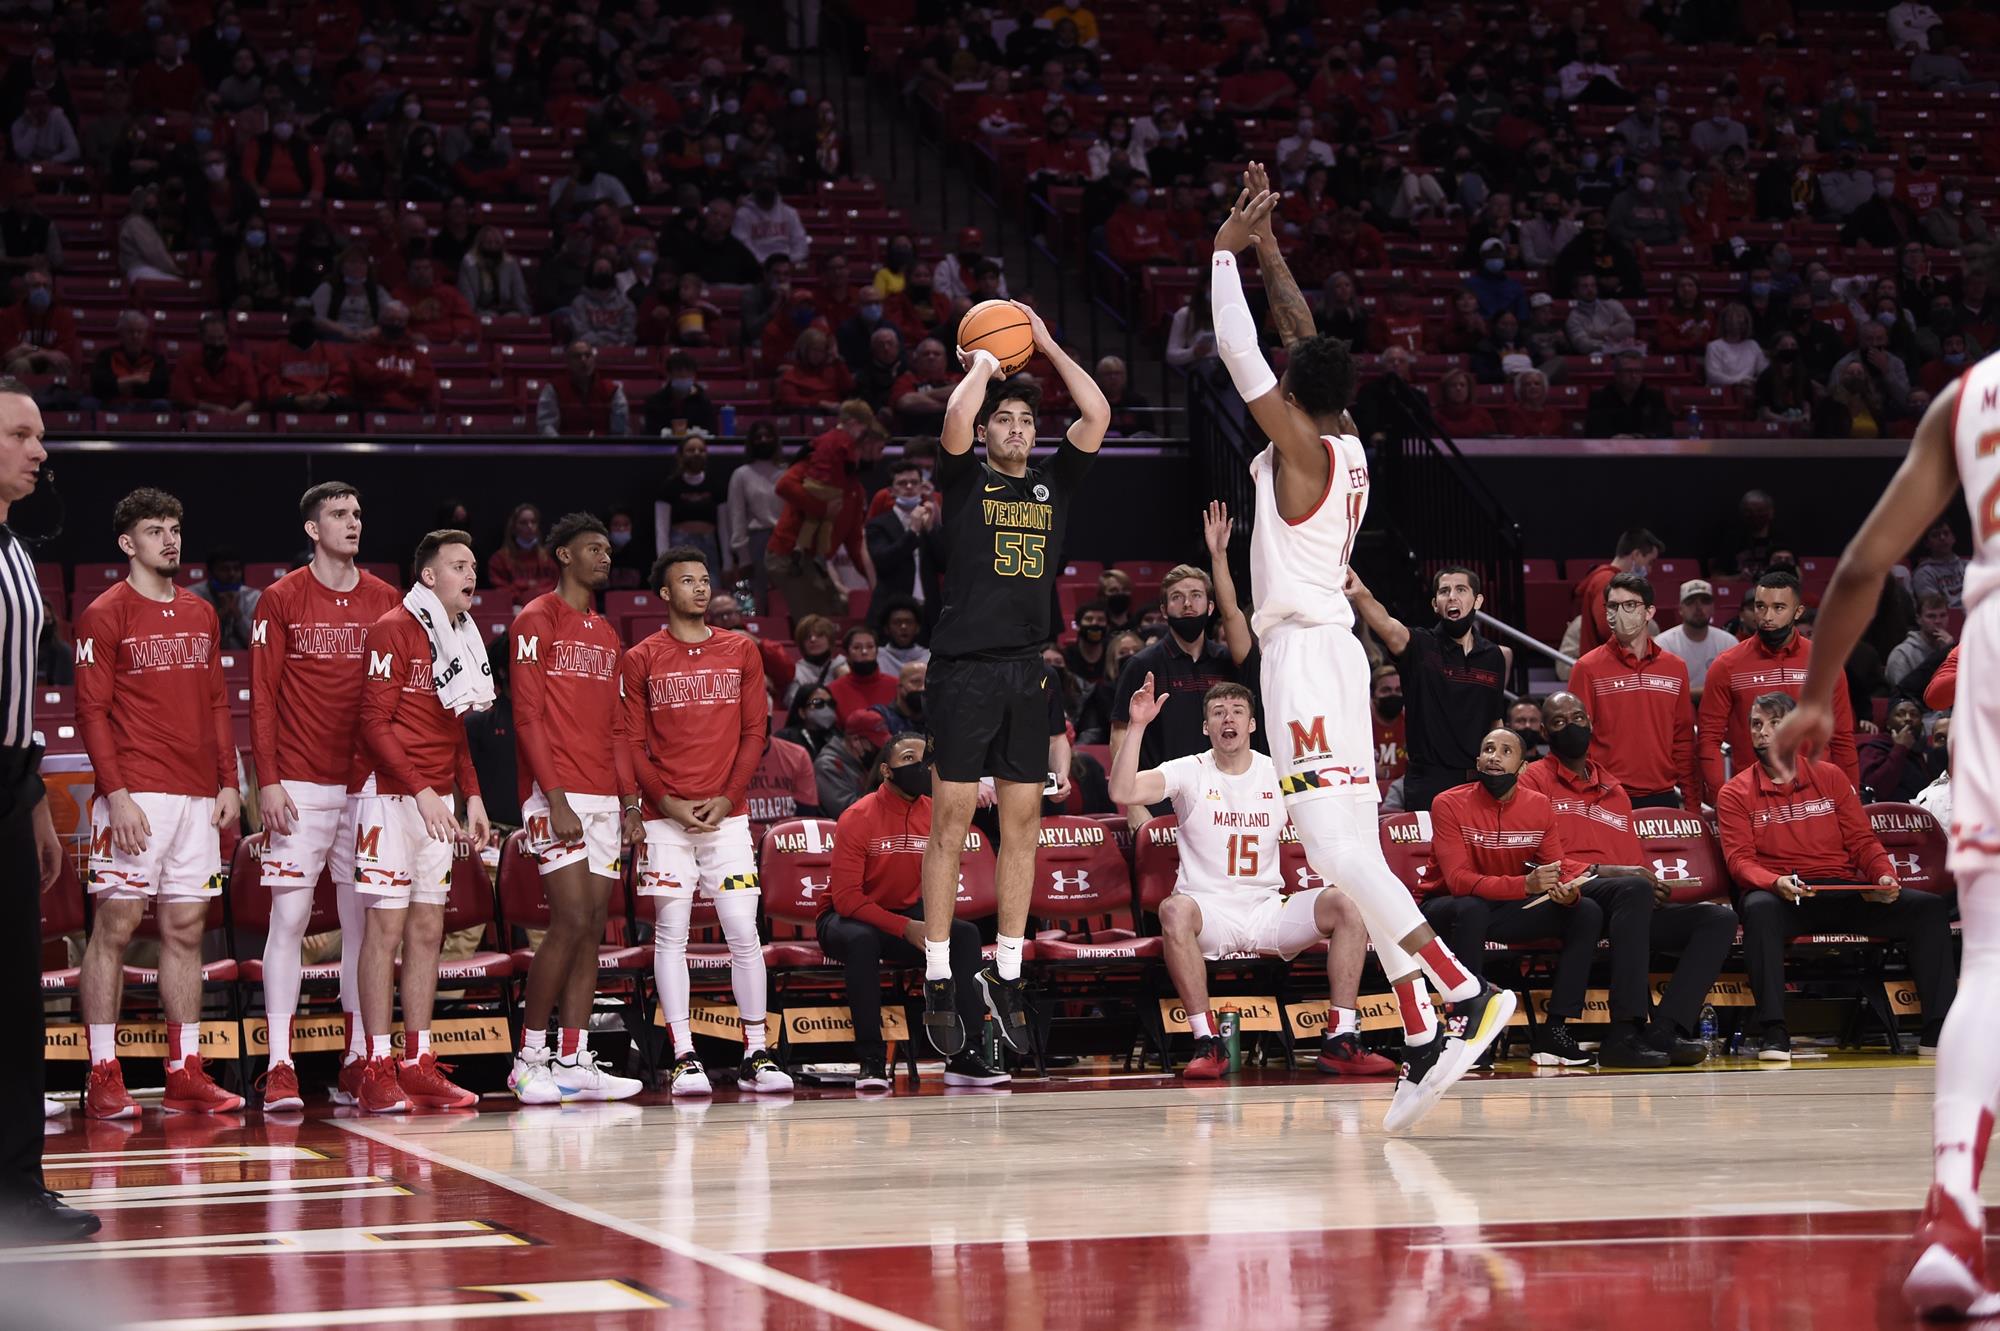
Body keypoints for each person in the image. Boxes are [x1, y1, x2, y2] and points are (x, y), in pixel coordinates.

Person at [1211, 167, 1509, 1132]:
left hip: (1305, 656)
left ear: (1295, 395)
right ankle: (1419, 1028)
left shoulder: (1303, 452)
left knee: (1335, 846)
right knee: (1351, 852)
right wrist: (1269, 247)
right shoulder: (1346, 438)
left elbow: (1240, 349)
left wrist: (1222, 255)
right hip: (1329, 654)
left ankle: (1461, 988)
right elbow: (1300, 336)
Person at [1772, 263, 1998, 1316]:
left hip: (1991, 648)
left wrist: (1817, 694)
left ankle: (1951, 1216)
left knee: (1989, 958)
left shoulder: (1968, 397)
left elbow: (1862, 566)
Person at [918, 298, 1108, 1059]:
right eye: (1006, 420)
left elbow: (1096, 412)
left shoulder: (1053, 483)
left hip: (1029, 673)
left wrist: (1049, 342)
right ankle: (939, 973)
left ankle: (1007, 970)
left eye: (1027, 421)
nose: (1019, 429)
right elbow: (953, 421)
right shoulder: (966, 480)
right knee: (953, 820)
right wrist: (985, 365)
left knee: (1024, 827)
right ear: (989, 431)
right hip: (964, 672)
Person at [1112, 676, 1395, 1079]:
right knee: (1173, 909)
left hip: (1266, 910)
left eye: (1237, 711)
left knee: (1347, 903)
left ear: (1252, 724)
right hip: (1209, 910)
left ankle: (1341, 1038)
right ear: (1206, 727)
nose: (1227, 719)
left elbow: (1334, 806)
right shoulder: (1188, 770)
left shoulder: (1279, 773)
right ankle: (1208, 1042)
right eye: (1218, 712)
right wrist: (1138, 726)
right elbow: (1122, 792)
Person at [76, 488, 244, 1119]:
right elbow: (90, 712)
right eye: (155, 530)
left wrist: (229, 781)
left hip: (197, 798)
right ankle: (102, 1073)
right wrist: (117, 796)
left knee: (185, 930)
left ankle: (184, 1070)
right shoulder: (104, 614)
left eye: (174, 528)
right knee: (115, 928)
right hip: (135, 796)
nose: (170, 539)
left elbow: (217, 702)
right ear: (128, 543)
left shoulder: (201, 613)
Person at [249, 481, 401, 1111]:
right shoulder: (280, 598)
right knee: (288, 919)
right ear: (313, 529)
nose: (352, 522)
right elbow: (262, 696)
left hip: (367, 786)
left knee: (362, 925)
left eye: (357, 513)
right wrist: (268, 781)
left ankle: (358, 1057)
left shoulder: (387, 599)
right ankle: (280, 1064)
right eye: (339, 514)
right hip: (300, 783)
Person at [622, 547, 790, 1097]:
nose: (699, 588)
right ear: (664, 593)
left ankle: (757, 1053)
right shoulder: (641, 658)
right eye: (686, 581)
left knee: (743, 931)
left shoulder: (741, 649)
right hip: (665, 820)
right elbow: (632, 743)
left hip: (728, 819)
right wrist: (664, 803)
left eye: (704, 579)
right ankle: (684, 1057)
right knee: (671, 935)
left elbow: (754, 733)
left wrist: (728, 797)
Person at [1722, 689, 1955, 1052]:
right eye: (1755, 724)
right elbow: (1740, 862)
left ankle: (1938, 1029)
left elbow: (1863, 842)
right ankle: (1773, 1030)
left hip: (1841, 890)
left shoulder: (1829, 777)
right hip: (1786, 895)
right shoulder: (1734, 792)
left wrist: (1883, 876)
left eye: (1774, 723)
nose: (1762, 732)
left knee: (1928, 909)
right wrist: (1774, 882)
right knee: (1758, 909)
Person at [505, 515, 643, 1105]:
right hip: (554, 794)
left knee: (591, 927)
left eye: (608, 549)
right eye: (593, 549)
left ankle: (572, 1058)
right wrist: (555, 797)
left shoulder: (607, 633)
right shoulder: (536, 619)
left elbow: (618, 728)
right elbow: (527, 716)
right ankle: (528, 1059)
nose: (605, 557)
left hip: (604, 796)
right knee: (567, 921)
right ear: (563, 555)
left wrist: (630, 800)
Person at [0, 382, 95, 1234]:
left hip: (9, 782)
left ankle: (18, 1186)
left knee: (15, 996)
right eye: (21, 434)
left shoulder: (17, 552)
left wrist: (32, 797)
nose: (40, 450)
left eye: (40, 435)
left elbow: (21, 690)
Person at [1522, 692, 1734, 1066]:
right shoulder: (1533, 781)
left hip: (1625, 905)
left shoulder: (1613, 788)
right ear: (1544, 732)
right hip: (1571, 898)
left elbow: (1632, 863)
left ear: (1591, 723)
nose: (1571, 726)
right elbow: (1538, 859)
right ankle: (1623, 1032)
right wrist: (1620, 875)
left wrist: (1653, 887)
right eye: (1559, 722)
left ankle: (1665, 1028)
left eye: (1577, 717)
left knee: (1718, 919)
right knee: (1633, 887)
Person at [818, 734, 1007, 1090]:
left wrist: (917, 924)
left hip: (905, 915)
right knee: (861, 941)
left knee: (964, 935)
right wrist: (905, 927)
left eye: (925, 758)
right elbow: (845, 899)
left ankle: (964, 1055)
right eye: (908, 757)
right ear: (886, 770)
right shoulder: (857, 816)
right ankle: (872, 1060)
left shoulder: (936, 813)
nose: (919, 766)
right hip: (845, 920)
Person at [1423, 729, 1604, 1067]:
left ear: (1522, 767)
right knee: (1472, 908)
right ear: (1478, 761)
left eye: (1506, 751)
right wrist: (1525, 885)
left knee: (1586, 912)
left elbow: (1557, 869)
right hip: (1444, 909)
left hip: (1503, 908)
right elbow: (1459, 881)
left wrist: (1566, 894)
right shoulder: (1447, 802)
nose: (1494, 756)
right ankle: (1467, 1033)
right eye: (1488, 749)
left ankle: (1555, 1032)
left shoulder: (1539, 806)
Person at [1110, 501, 1257, 826]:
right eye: (1177, 597)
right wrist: (1133, 806)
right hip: (1161, 803)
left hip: (1228, 801)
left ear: (1210, 607)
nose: (1187, 603)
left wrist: (1219, 556)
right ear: (1163, 610)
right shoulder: (1142, 665)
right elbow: (1120, 734)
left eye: (1196, 595)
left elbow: (1233, 613)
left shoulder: (1229, 661)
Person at [1350, 566, 1509, 813]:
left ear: (1477, 600)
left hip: (1480, 782)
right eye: (1444, 591)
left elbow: (1495, 721)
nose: (1452, 596)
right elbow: (1387, 624)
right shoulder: (1421, 646)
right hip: (1429, 783)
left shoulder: (1494, 656)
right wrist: (1360, 592)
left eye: (1461, 589)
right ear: (1435, 604)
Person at [1699, 569, 1858, 802]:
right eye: (1760, 606)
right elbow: (1709, 739)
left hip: (1816, 795)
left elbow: (1842, 737)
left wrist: (1850, 798)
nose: (1767, 616)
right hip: (1753, 797)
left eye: (1778, 607)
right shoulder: (1727, 665)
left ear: (1798, 612)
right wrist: (1721, 796)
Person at [1564, 573, 1701, 810]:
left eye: (1629, 605)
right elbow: (1576, 743)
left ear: (1649, 612)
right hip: (1606, 798)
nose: (1619, 613)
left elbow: (1683, 740)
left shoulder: (1675, 668)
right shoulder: (1586, 668)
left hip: (1663, 797)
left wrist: (1693, 806)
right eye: (1613, 606)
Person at [865, 459, 943, 624]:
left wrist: (931, 530)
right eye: (902, 483)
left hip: (929, 613)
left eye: (914, 482)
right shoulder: (878, 525)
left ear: (922, 487)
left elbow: (944, 564)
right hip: (891, 613)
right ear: (891, 491)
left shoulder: (929, 523)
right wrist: (912, 531)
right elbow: (884, 561)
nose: (909, 487)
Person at [1570, 527, 1662, 658]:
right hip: (1605, 665)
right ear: (1636, 555)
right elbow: (1609, 628)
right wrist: (1650, 643)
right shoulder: (1606, 581)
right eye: (1650, 562)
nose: (1650, 569)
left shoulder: (1610, 580)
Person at [1653, 579, 1729, 706]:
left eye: (1704, 601)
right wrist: (1707, 692)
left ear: (1713, 608)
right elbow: (1662, 691)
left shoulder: (1728, 642)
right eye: (1691, 602)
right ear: (1680, 609)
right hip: (1676, 709)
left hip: (1719, 707)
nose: (1698, 608)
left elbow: (1734, 688)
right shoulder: (1663, 643)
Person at [537, 340, 630, 438]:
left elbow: (620, 431)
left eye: (588, 355)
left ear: (594, 360)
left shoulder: (612, 390)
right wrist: (562, 446)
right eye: (577, 356)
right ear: (568, 361)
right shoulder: (554, 388)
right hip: (565, 446)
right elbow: (546, 427)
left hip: (603, 446)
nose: (583, 360)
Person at [187, 548, 261, 649]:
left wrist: (238, 616)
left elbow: (258, 643)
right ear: (211, 573)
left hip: (244, 656)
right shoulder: (192, 596)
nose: (232, 574)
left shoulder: (254, 597)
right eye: (224, 569)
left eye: (236, 569)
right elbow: (193, 641)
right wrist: (219, 616)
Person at [488, 503, 558, 603]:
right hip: (514, 607)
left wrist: (528, 590)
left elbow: (556, 585)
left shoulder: (548, 558)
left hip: (545, 604)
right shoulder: (499, 560)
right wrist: (526, 588)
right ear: (514, 527)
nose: (530, 526)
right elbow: (501, 591)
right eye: (523, 523)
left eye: (533, 522)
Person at [1888, 592, 1956, 690]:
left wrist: (1950, 652)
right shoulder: (1902, 654)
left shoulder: (1951, 649)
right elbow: (1902, 693)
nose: (1938, 621)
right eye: (1931, 616)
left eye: (1943, 615)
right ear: (1918, 619)